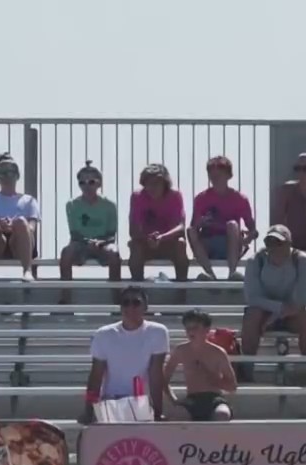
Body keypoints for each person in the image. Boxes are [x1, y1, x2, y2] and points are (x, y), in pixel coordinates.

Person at [86, 286, 170, 421]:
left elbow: (156, 374)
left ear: (145, 307)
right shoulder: (104, 334)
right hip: (111, 400)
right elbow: (96, 376)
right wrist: (89, 410)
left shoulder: (157, 332)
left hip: (141, 401)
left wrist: (158, 411)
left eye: (136, 302)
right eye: (126, 303)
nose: (130, 307)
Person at [240, 224, 306, 360]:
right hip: (264, 315)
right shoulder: (256, 261)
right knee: (252, 314)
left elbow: (303, 300)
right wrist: (278, 308)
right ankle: (247, 366)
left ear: (289, 244)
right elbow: (252, 298)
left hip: (291, 315)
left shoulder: (302, 260)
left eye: (278, 242)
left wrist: (274, 317)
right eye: (269, 242)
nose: (273, 247)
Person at [162, 309, 237, 421]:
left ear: (207, 329)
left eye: (195, 328)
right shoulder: (181, 350)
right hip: (192, 398)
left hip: (214, 399)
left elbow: (232, 386)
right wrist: (174, 400)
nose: (191, 332)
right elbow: (164, 379)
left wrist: (214, 379)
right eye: (188, 328)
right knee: (177, 416)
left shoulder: (218, 352)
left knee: (222, 414)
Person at [0, 152, 39, 281]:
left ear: (17, 175)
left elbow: (32, 228)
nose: (7, 176)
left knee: (21, 221)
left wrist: (13, 226)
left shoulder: (29, 200)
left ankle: (27, 270)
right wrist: (0, 225)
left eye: (10, 172)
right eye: (2, 172)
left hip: (19, 244)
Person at [190, 155, 256, 281]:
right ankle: (210, 275)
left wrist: (247, 239)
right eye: (211, 176)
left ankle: (232, 273)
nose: (214, 179)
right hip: (208, 241)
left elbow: (252, 229)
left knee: (232, 225)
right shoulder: (201, 198)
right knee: (190, 231)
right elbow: (194, 226)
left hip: (230, 243)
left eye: (218, 176)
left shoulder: (239, 199)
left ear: (229, 176)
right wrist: (201, 222)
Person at [59, 161, 121, 286]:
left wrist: (99, 242)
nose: (87, 186)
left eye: (91, 182)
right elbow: (74, 233)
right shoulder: (72, 205)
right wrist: (88, 242)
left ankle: (117, 296)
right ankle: (65, 295)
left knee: (114, 254)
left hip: (103, 244)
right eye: (82, 182)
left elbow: (111, 234)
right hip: (80, 243)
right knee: (66, 253)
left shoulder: (109, 205)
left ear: (99, 183)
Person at [128, 164, 188, 282]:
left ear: (165, 183)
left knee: (181, 244)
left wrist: (161, 237)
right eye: (148, 183)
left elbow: (181, 227)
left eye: (156, 183)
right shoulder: (137, 196)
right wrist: (148, 238)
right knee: (134, 246)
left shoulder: (175, 196)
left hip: (169, 243)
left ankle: (182, 292)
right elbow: (133, 230)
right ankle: (137, 289)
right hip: (146, 243)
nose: (152, 187)